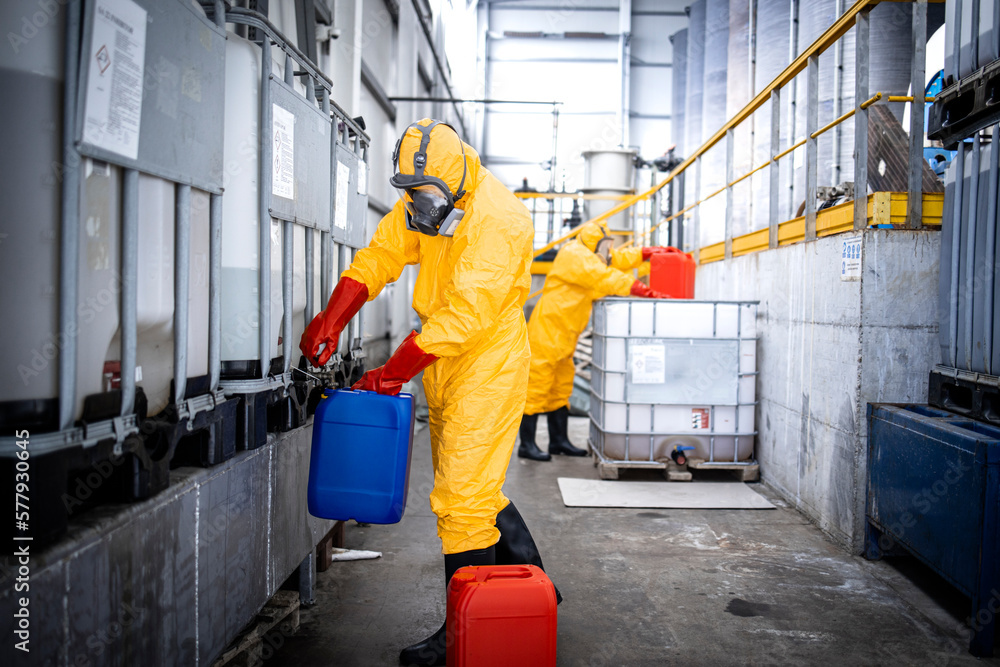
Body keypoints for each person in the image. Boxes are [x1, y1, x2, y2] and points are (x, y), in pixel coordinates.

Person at [300, 119, 559, 667]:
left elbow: (466, 315)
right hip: (442, 361)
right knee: (470, 484)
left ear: (457, 179)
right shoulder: (424, 201)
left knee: (463, 498)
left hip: (485, 360)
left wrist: (394, 371)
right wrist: (335, 313)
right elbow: (382, 255)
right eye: (410, 195)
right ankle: (538, 590)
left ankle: (463, 631)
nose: (419, 207)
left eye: (427, 195)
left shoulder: (500, 216)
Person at [519, 221, 671, 461]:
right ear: (593, 243)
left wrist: (645, 253)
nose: (608, 250)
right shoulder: (574, 254)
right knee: (536, 388)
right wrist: (643, 290)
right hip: (547, 332)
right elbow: (604, 275)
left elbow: (615, 259)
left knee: (560, 389)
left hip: (565, 334)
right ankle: (526, 445)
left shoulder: (590, 254)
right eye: (605, 245)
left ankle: (558, 442)